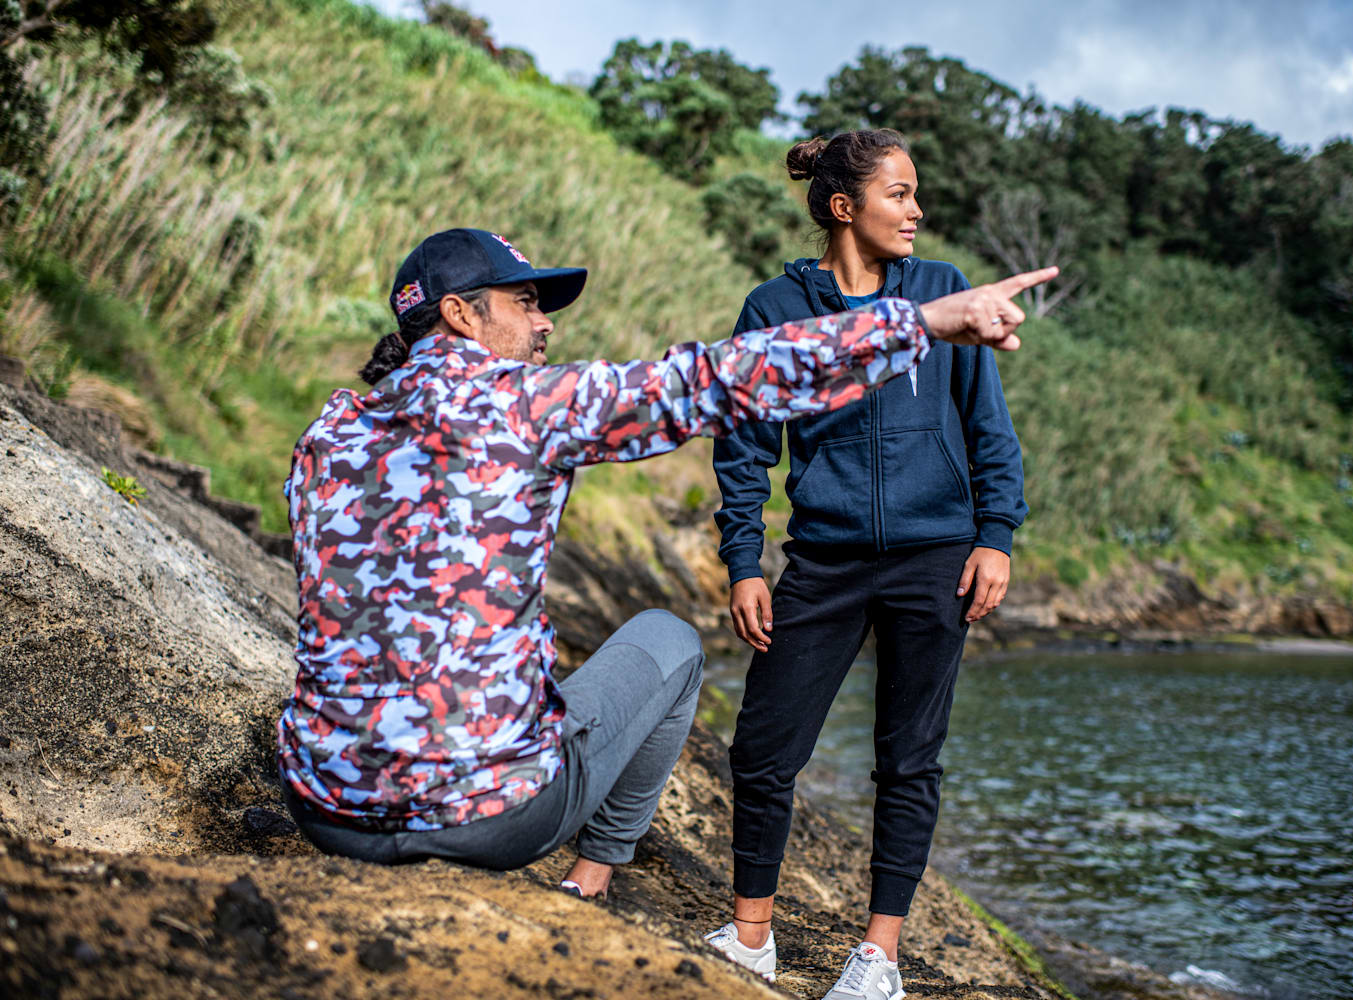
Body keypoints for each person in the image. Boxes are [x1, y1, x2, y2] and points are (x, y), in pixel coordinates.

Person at [275, 226, 1055, 902]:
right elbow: (718, 381)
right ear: (459, 314)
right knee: (672, 643)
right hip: (488, 821)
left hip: (326, 810)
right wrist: (921, 322)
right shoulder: (527, 407)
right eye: (526, 303)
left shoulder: (327, 435)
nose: (545, 326)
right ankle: (592, 878)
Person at [705, 130, 1032, 999]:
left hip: (937, 556)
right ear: (845, 206)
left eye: (917, 194)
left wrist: (994, 534)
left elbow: (987, 425)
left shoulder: (944, 291)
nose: (917, 211)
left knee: (909, 758)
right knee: (765, 750)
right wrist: (745, 559)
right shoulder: (775, 308)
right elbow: (743, 448)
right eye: (900, 194)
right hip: (825, 557)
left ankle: (877, 958)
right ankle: (749, 937)